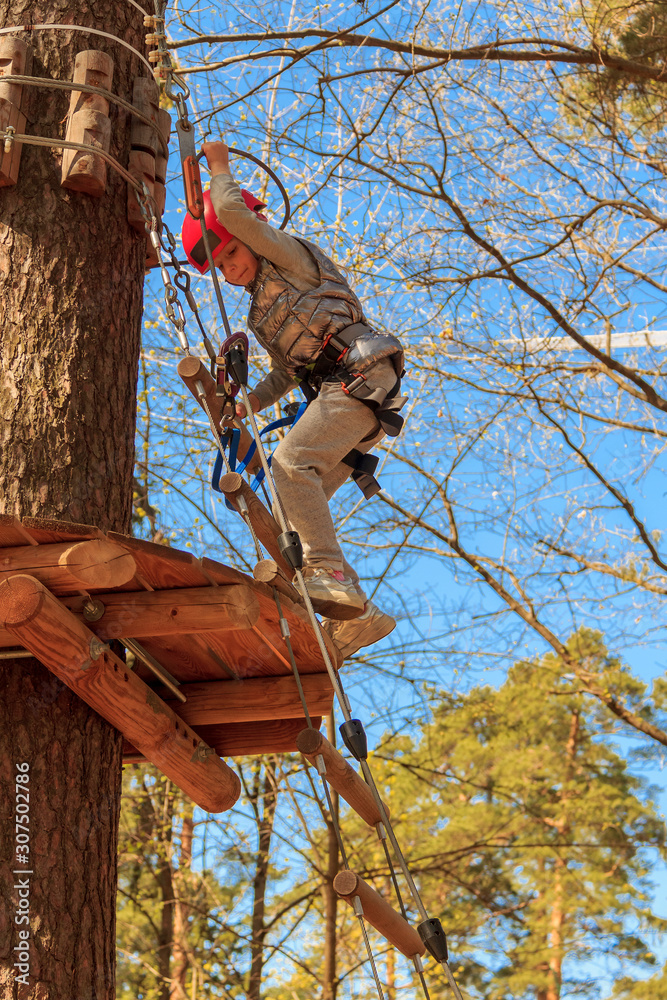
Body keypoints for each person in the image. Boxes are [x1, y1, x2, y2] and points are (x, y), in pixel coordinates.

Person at [182, 140, 406, 657]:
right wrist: (248, 405)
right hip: (343, 396)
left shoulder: (292, 259)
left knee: (289, 463)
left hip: (359, 376)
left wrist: (217, 164)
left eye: (233, 252)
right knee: (293, 506)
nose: (230, 268)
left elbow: (234, 215)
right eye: (219, 266)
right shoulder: (261, 314)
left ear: (255, 238)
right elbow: (286, 373)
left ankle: (331, 574)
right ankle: (358, 619)